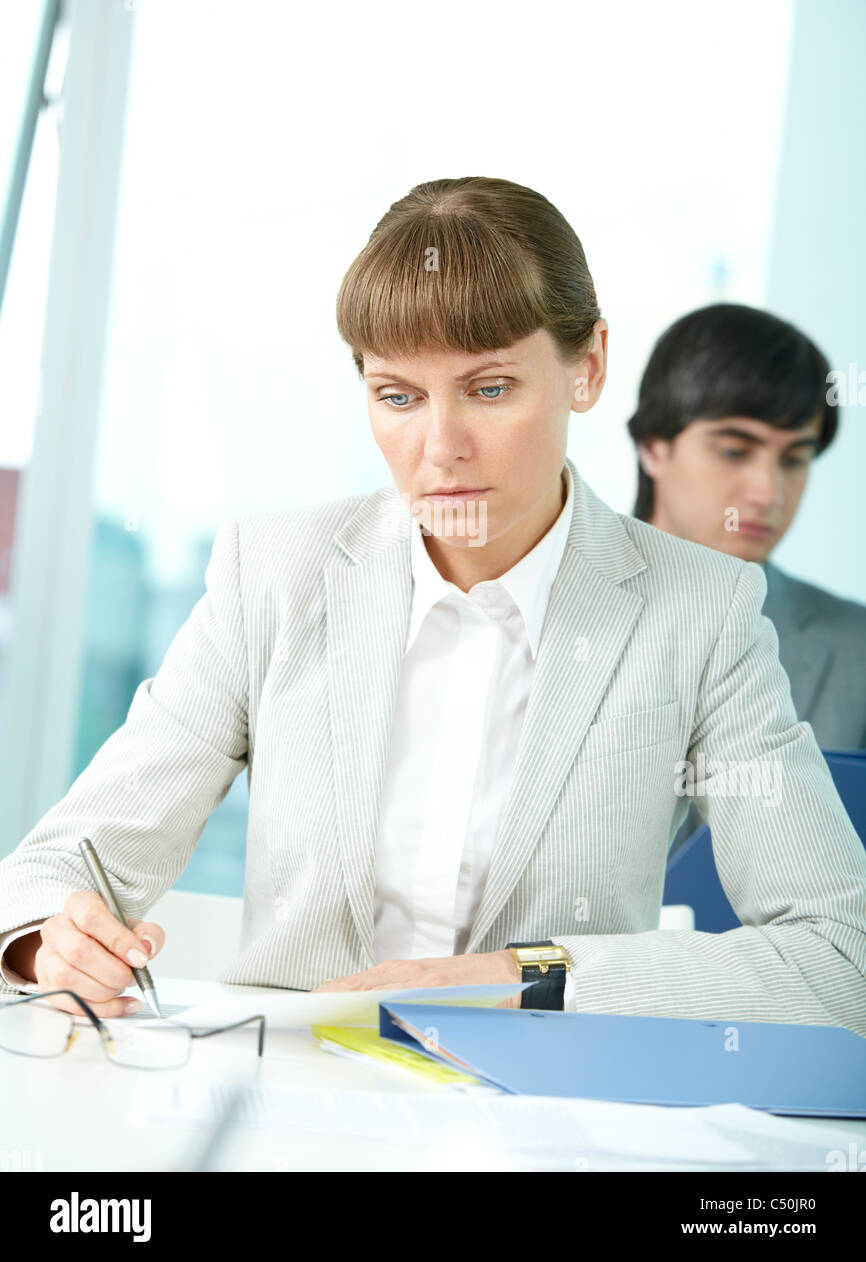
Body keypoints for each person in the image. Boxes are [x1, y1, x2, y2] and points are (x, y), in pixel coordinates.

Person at [0, 179, 864, 1037]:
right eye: (399, 397)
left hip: (549, 1132)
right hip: (286, 1109)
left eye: (489, 390)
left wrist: (519, 977)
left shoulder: (699, 612)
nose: (440, 448)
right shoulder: (272, 577)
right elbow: (50, 871)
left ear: (586, 368)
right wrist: (50, 944)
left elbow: (843, 956)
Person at [626, 302, 866, 753]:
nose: (768, 493)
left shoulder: (857, 648)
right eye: (735, 451)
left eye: (794, 459)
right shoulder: (543, 609)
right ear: (653, 446)